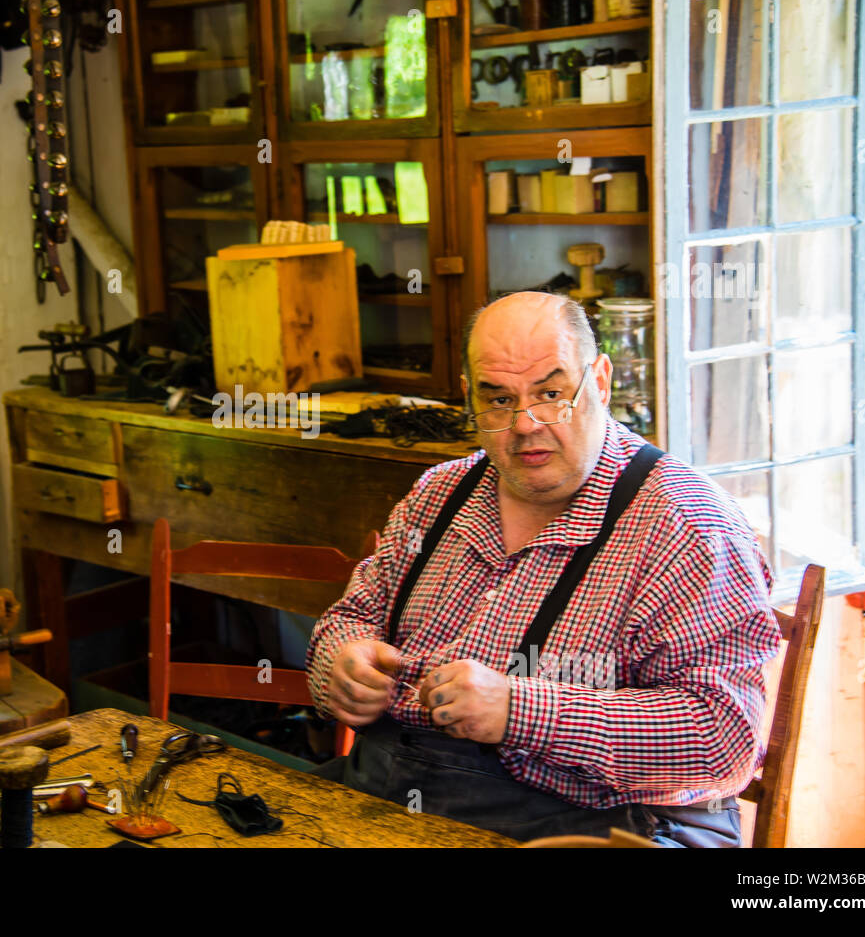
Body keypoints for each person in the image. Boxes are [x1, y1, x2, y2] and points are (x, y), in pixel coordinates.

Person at [306, 291, 782, 846]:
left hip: (589, 824)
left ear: (600, 381)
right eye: (500, 400)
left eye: (552, 394)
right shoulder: (439, 494)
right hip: (389, 799)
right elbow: (352, 616)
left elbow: (723, 743)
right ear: (469, 398)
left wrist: (521, 710)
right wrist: (341, 661)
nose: (527, 423)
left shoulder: (685, 524)